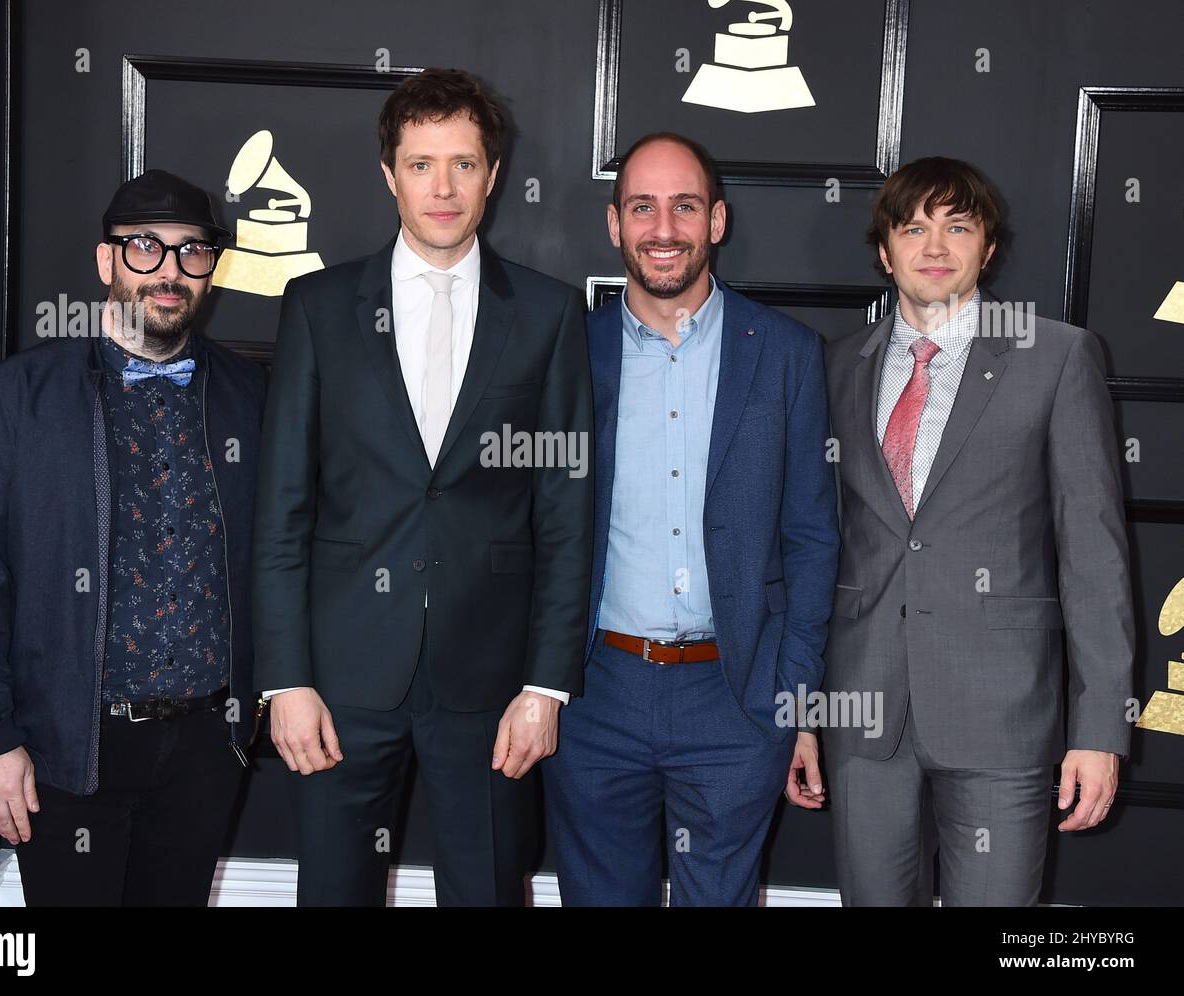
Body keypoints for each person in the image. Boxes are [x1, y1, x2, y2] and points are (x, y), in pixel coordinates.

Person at [252, 67, 593, 906]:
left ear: (494, 174)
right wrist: (285, 679)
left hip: (490, 685)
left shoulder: (548, 315)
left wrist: (545, 686)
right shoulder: (318, 308)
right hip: (338, 679)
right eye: (421, 163)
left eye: (464, 164)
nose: (443, 187)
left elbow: (564, 513)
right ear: (389, 173)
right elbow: (281, 510)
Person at [793, 156, 1133, 905]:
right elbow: (812, 547)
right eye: (913, 228)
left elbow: (1095, 557)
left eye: (958, 226)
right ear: (885, 251)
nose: (935, 246)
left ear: (987, 247)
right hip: (863, 713)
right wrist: (804, 713)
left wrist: (1101, 728)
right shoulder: (833, 368)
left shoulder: (1055, 356)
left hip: (1001, 714)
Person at [0, 169, 267, 905]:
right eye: (145, 248)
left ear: (214, 267)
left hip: (208, 748)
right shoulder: (15, 398)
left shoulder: (252, 398)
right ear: (106, 261)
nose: (170, 271)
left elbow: (283, 556)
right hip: (64, 744)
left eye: (192, 251)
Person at [542, 132, 839, 906]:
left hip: (736, 698)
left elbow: (812, 540)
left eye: (685, 206)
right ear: (614, 225)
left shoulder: (787, 354)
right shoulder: (568, 351)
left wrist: (795, 703)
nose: (663, 228)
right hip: (595, 695)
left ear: (718, 221)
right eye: (642, 206)